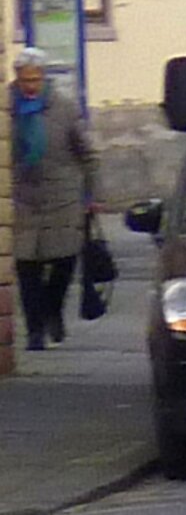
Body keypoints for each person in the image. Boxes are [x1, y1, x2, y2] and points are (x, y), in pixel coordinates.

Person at [10, 49, 99, 351]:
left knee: (64, 261)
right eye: (25, 80)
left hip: (62, 196)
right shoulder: (7, 108)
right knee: (27, 267)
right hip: (22, 199)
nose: (30, 86)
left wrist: (91, 194)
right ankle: (35, 330)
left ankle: (53, 310)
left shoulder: (63, 107)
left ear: (44, 77)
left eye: (35, 79)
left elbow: (87, 153)